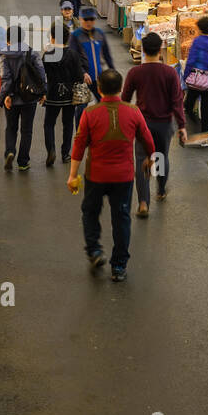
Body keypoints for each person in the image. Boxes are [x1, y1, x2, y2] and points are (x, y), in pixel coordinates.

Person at [68, 69, 155, 283]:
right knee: (122, 219)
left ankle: (95, 251)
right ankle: (119, 266)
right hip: (123, 177)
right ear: (120, 88)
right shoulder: (133, 111)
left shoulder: (90, 114)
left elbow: (78, 147)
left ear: (98, 89)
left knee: (90, 213)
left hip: (96, 176)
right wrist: (150, 158)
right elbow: (148, 139)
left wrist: (72, 175)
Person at [122, 32, 188, 217]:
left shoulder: (135, 72)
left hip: (142, 124)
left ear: (143, 50)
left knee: (142, 159)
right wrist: (182, 126)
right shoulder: (169, 72)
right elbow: (177, 102)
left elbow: (125, 99)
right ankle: (160, 189)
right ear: (160, 50)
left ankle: (143, 202)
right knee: (161, 156)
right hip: (164, 124)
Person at [0, 28, 47, 171]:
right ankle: (23, 162)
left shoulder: (4, 55)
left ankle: (10, 151)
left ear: (8, 40)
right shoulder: (31, 53)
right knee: (27, 130)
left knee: (11, 128)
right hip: (29, 98)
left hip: (12, 99)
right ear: (23, 38)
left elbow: (5, 79)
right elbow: (41, 72)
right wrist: (43, 92)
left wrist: (5, 96)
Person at [43, 21, 87, 167]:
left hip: (52, 94)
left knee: (49, 123)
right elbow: (80, 76)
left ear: (53, 38)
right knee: (68, 124)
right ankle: (66, 153)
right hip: (69, 95)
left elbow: (42, 75)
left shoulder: (47, 55)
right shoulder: (73, 55)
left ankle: (51, 150)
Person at [182, 15, 208, 133]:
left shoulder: (197, 41)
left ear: (200, 29)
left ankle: (194, 125)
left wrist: (185, 76)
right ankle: (204, 136)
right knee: (206, 109)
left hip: (195, 79)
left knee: (188, 106)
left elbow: (190, 61)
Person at [69, 7, 115, 99]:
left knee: (103, 102)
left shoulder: (100, 34)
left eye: (92, 19)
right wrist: (83, 73)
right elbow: (73, 58)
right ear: (80, 19)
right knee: (81, 106)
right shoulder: (75, 36)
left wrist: (113, 70)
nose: (89, 22)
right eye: (86, 19)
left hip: (98, 77)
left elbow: (107, 55)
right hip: (82, 78)